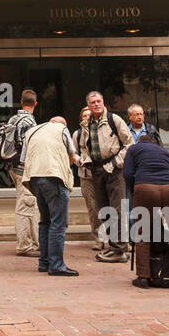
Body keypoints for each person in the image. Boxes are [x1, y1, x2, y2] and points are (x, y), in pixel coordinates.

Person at [123, 130, 169, 290]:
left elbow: (127, 174)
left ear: (140, 142)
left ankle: (143, 277)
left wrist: (134, 190)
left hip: (145, 188)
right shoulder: (164, 151)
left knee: (143, 234)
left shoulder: (133, 149)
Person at [77, 91, 134, 263]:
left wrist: (117, 162)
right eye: (93, 102)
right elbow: (83, 147)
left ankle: (120, 250)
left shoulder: (114, 119)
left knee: (116, 209)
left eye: (99, 101)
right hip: (97, 169)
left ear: (103, 102)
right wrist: (86, 160)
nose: (96, 104)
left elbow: (129, 143)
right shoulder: (86, 123)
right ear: (88, 104)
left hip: (115, 169)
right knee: (104, 210)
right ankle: (114, 247)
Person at [19, 116, 80, 277]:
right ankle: (56, 264)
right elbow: (72, 156)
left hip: (35, 180)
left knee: (45, 221)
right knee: (58, 223)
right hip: (54, 178)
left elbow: (24, 161)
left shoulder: (30, 132)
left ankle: (44, 262)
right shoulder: (61, 129)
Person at [1, 88, 40, 257]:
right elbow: (29, 147)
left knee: (29, 203)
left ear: (21, 102)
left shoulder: (13, 118)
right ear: (35, 104)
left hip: (13, 167)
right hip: (24, 169)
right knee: (26, 205)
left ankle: (33, 241)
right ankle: (24, 245)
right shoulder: (29, 122)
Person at [72, 106, 103, 250]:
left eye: (89, 116)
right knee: (93, 209)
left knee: (108, 206)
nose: (86, 118)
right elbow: (73, 154)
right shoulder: (77, 134)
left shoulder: (103, 132)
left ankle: (115, 238)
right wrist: (81, 161)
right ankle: (99, 238)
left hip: (103, 174)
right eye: (84, 116)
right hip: (86, 176)